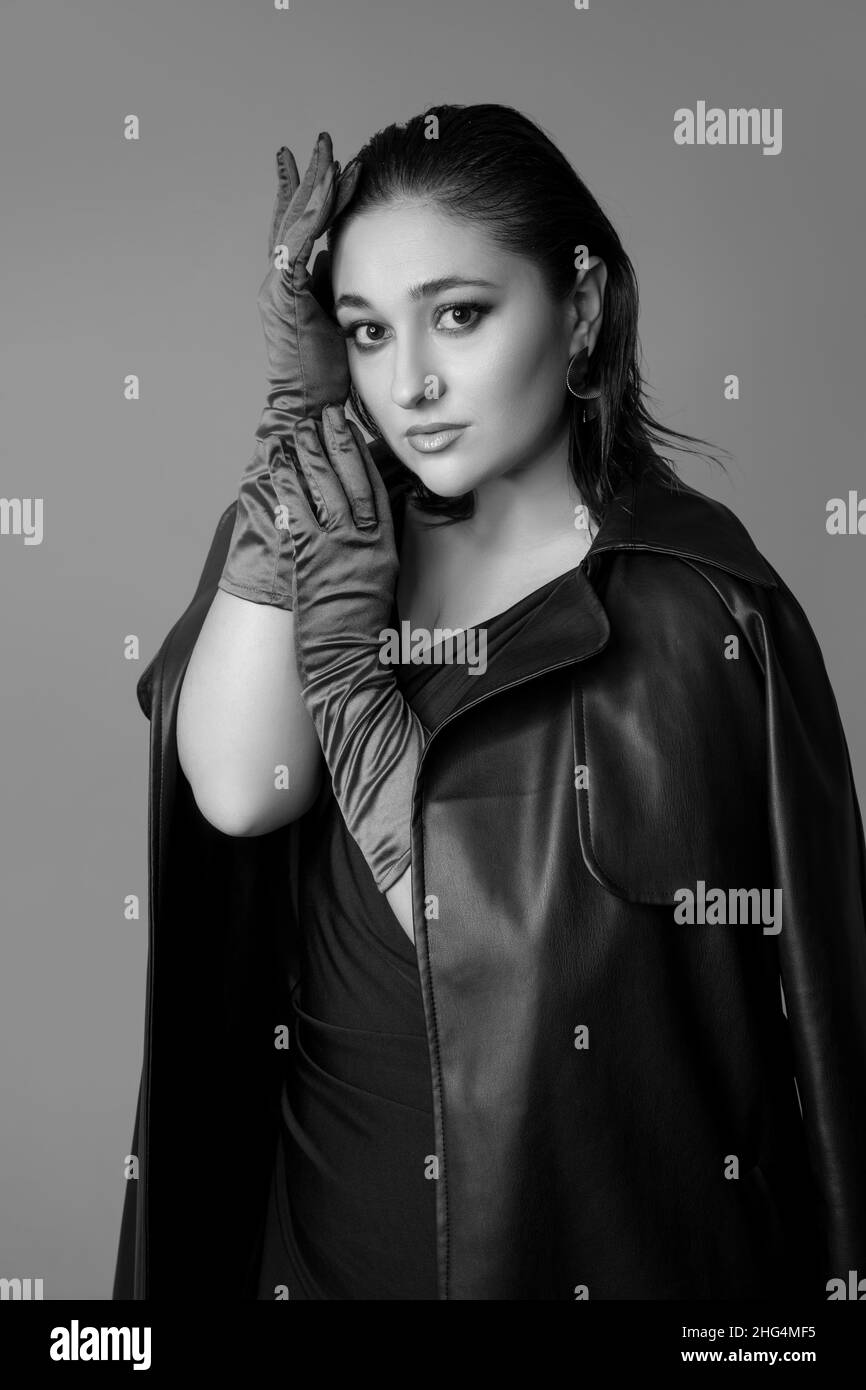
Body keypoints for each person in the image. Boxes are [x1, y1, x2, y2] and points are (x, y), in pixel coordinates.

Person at [113, 104, 866, 1302]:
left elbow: (564, 999)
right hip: (320, 1244)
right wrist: (292, 466)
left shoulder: (701, 612)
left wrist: (359, 697)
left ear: (577, 309)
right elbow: (238, 795)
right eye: (365, 332)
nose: (408, 382)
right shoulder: (325, 525)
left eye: (457, 315)